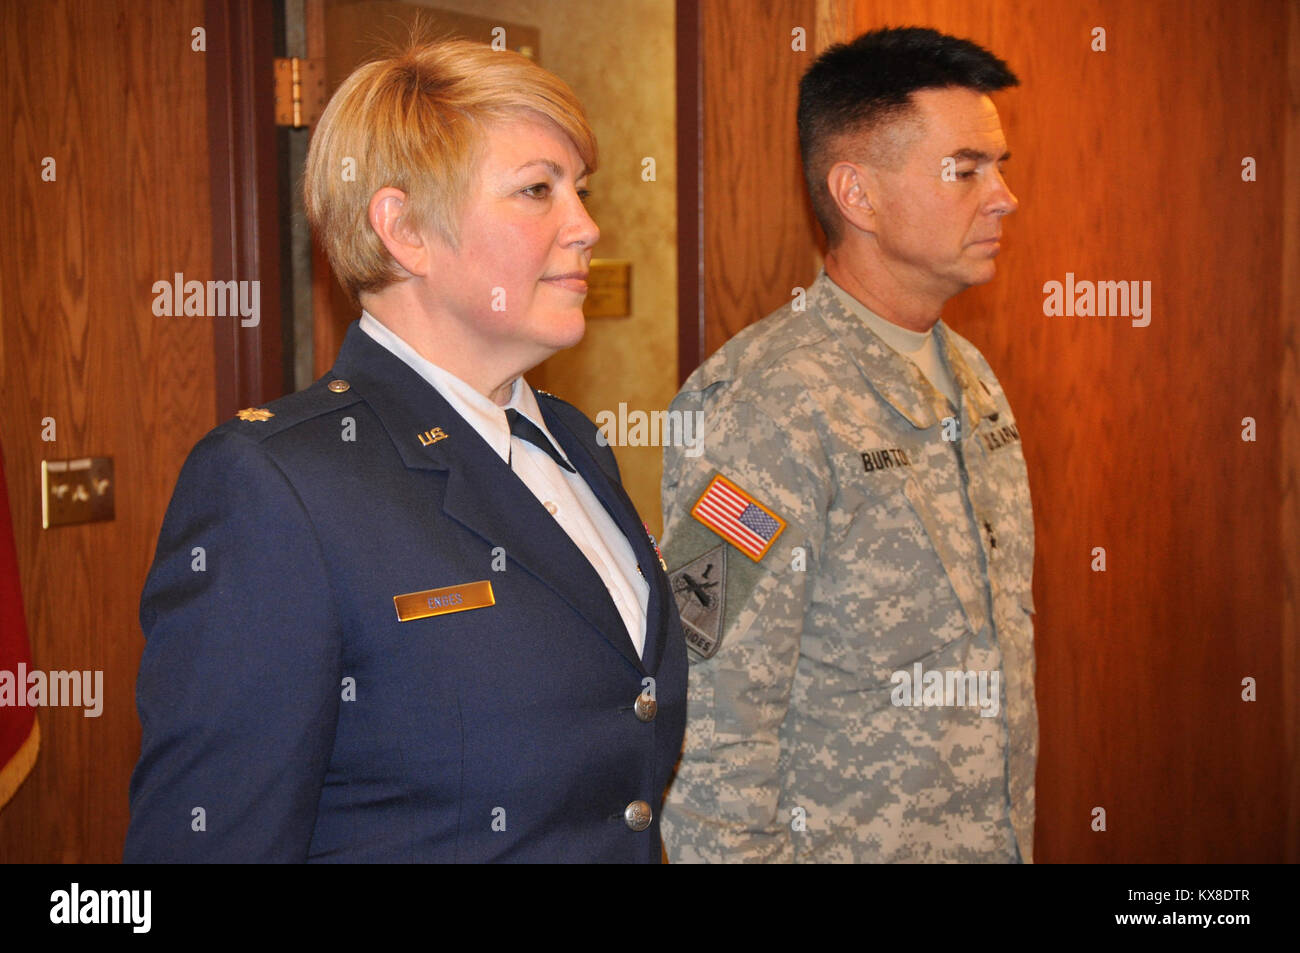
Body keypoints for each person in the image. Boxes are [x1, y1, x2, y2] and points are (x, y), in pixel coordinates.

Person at [125, 40, 685, 863]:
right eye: (538, 190)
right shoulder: (278, 484)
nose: (588, 227)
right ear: (405, 229)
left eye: (582, 190)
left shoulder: (572, 439)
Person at [659, 26, 1036, 863]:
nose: (1004, 195)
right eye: (966, 169)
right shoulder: (763, 406)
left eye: (999, 166)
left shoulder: (971, 378)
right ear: (858, 195)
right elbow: (711, 721)